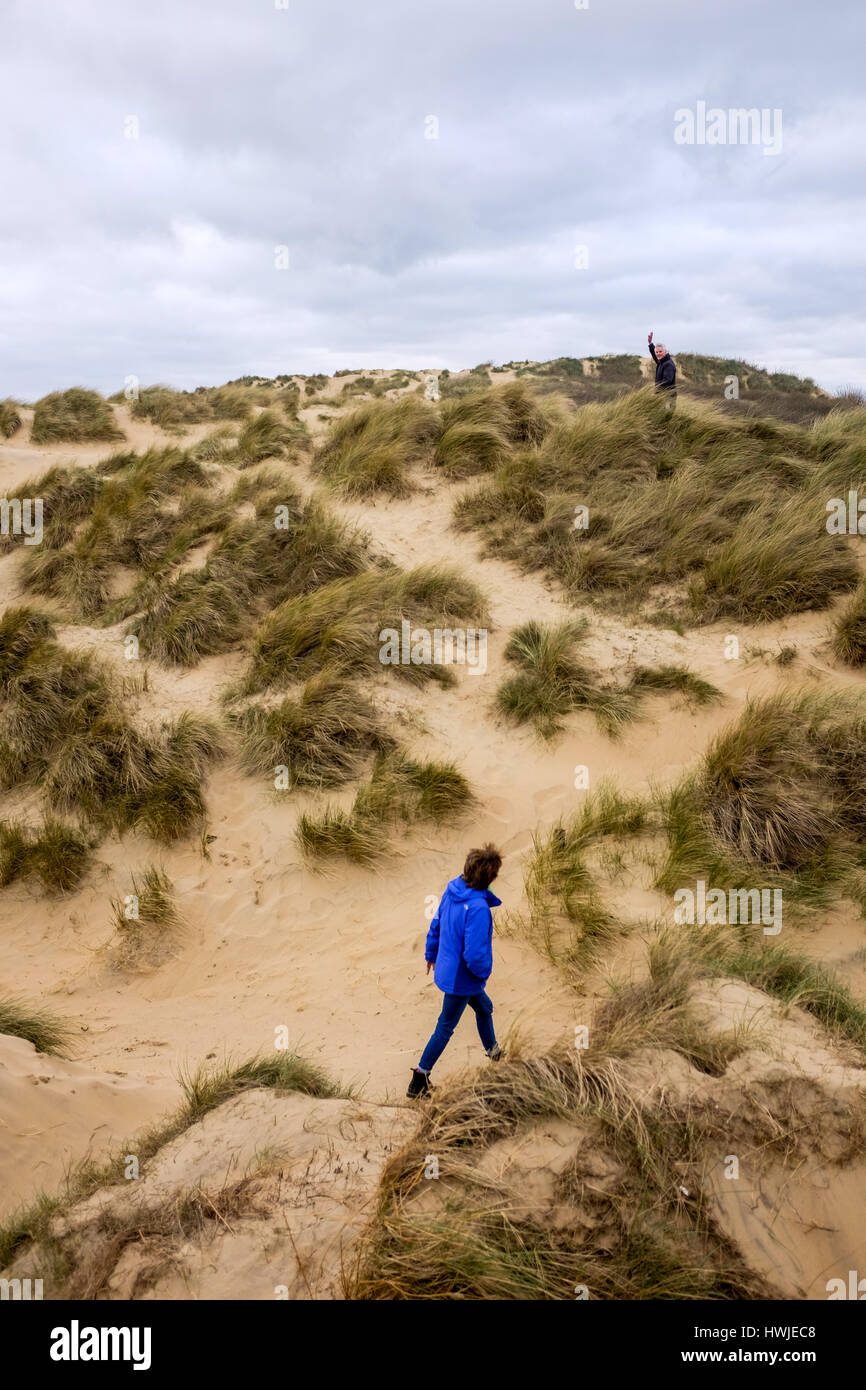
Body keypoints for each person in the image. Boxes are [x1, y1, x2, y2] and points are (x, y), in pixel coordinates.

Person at [407, 844, 503, 1098]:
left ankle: (495, 1054)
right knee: (445, 1026)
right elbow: (474, 954)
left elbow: (436, 924)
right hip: (463, 978)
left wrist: (431, 954)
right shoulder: (478, 908)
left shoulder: (453, 889)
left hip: (449, 970)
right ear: (490, 877)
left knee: (484, 1007)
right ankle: (419, 1078)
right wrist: (482, 974)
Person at [648, 330, 677, 411]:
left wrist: (656, 393)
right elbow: (655, 355)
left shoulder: (668, 364)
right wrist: (650, 344)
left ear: (665, 352)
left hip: (668, 397)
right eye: (657, 352)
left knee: (667, 415)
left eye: (660, 351)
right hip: (662, 396)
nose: (658, 353)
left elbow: (666, 381)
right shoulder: (661, 362)